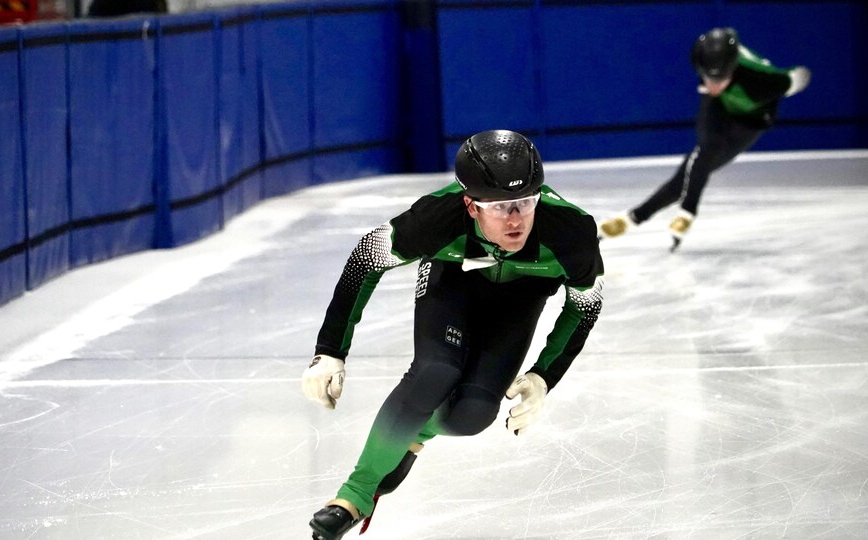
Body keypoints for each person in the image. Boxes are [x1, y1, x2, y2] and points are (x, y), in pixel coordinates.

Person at [301, 130, 605, 540]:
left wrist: (543, 376)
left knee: (473, 416)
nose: (515, 219)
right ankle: (354, 496)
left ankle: (414, 436)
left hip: (520, 300)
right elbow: (363, 260)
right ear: (470, 205)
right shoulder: (437, 218)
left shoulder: (571, 232)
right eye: (499, 208)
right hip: (453, 282)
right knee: (435, 372)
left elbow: (585, 306)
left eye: (525, 203)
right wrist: (330, 351)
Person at [598, 27, 811, 251]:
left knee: (694, 169)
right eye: (708, 78)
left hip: (751, 121)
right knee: (704, 154)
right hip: (720, 108)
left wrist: (795, 80)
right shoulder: (701, 57)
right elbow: (713, 92)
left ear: (734, 69)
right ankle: (666, 215)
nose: (713, 85)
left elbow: (800, 75)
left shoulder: (765, 82)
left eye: (721, 80)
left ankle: (638, 217)